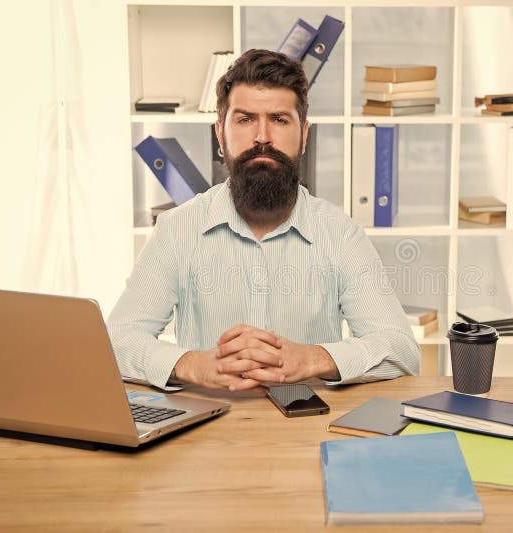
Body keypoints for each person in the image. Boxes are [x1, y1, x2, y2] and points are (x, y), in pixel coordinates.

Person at [108, 49, 419, 395]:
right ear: (219, 134)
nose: (262, 137)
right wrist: (192, 364)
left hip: (308, 429)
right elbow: (117, 339)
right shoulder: (177, 230)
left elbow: (401, 350)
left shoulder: (340, 234)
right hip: (205, 432)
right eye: (245, 120)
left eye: (279, 120)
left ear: (304, 134)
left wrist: (313, 359)